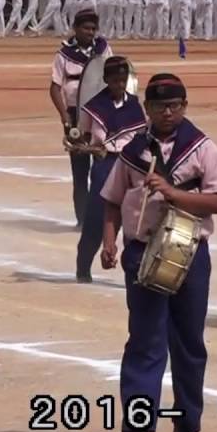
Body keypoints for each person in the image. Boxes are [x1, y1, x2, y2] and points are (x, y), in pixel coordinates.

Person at [100, 74, 217, 432]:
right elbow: (112, 199)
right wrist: (109, 241)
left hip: (190, 253)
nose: (168, 112)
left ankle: (186, 424)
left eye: (174, 105)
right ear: (147, 109)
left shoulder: (202, 148)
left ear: (185, 106)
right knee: (144, 341)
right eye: (159, 106)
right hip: (142, 251)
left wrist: (173, 193)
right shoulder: (133, 151)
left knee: (188, 342)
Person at [75, 57, 146, 283]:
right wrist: (82, 147)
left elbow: (142, 136)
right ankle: (83, 268)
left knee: (133, 220)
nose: (120, 85)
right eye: (115, 81)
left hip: (130, 164)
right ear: (106, 80)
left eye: (123, 80)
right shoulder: (94, 107)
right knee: (96, 218)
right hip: (104, 164)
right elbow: (84, 136)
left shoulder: (134, 104)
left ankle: (133, 273)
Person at [49, 9, 114, 228]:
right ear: (76, 29)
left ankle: (100, 217)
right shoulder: (64, 55)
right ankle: (83, 220)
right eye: (86, 28)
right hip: (76, 116)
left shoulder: (103, 49)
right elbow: (55, 88)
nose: (90, 32)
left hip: (100, 116)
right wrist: (65, 117)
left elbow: (115, 75)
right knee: (80, 171)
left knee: (102, 170)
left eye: (93, 29)